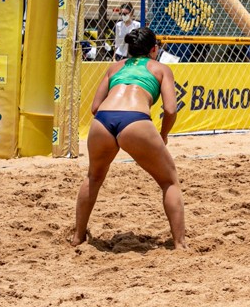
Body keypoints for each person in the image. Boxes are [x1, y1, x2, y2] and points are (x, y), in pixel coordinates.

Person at [70, 26, 187, 249]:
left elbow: (95, 107)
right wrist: (162, 135)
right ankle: (180, 244)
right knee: (169, 181)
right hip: (135, 120)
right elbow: (171, 110)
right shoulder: (160, 69)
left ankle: (77, 238)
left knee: (93, 178)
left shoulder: (114, 68)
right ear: (154, 49)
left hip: (102, 121)